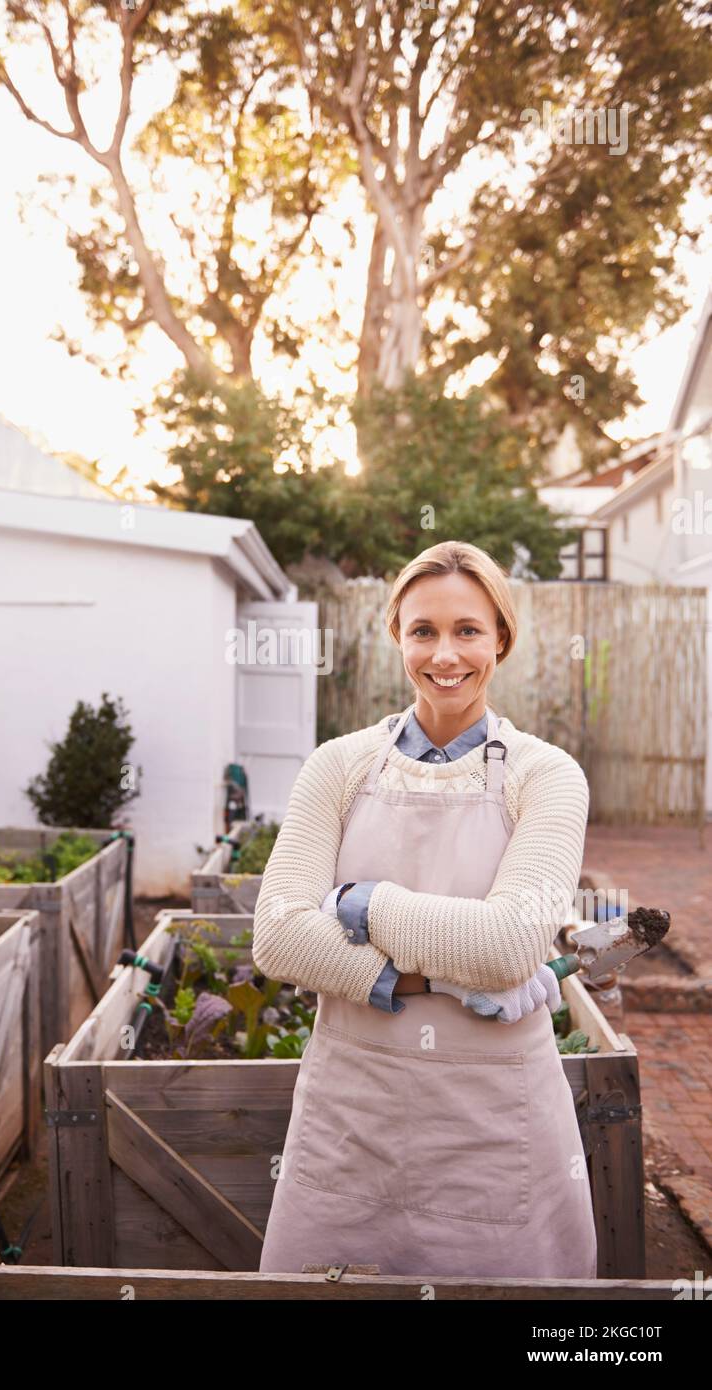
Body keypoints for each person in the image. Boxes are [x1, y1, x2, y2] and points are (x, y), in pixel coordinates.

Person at [252, 540, 598, 1278]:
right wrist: (431, 981)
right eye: (423, 631)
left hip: (493, 1120)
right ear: (396, 636)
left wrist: (357, 903)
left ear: (500, 638)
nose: (445, 654)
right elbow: (279, 936)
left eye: (468, 630)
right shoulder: (338, 765)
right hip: (353, 1113)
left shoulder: (547, 776)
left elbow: (507, 946)